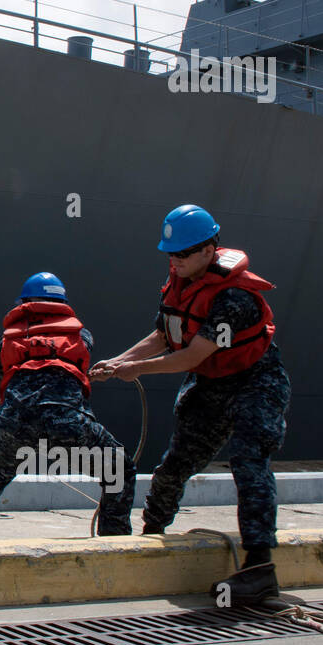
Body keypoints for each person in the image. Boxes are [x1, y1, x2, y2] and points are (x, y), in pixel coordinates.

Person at [91, 205, 292, 605]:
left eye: (182, 253)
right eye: (171, 254)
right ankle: (153, 535)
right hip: (212, 383)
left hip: (254, 381)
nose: (175, 260)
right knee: (174, 465)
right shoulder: (180, 284)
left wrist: (136, 371)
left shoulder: (233, 298)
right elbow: (163, 336)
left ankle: (259, 567)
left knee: (249, 461)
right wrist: (118, 363)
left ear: (208, 250)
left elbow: (190, 357)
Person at [0, 273, 136, 541]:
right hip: (68, 423)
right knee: (119, 468)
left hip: (14, 425)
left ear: (24, 303)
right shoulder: (82, 335)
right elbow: (76, 360)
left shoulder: (9, 340)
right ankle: (113, 544)